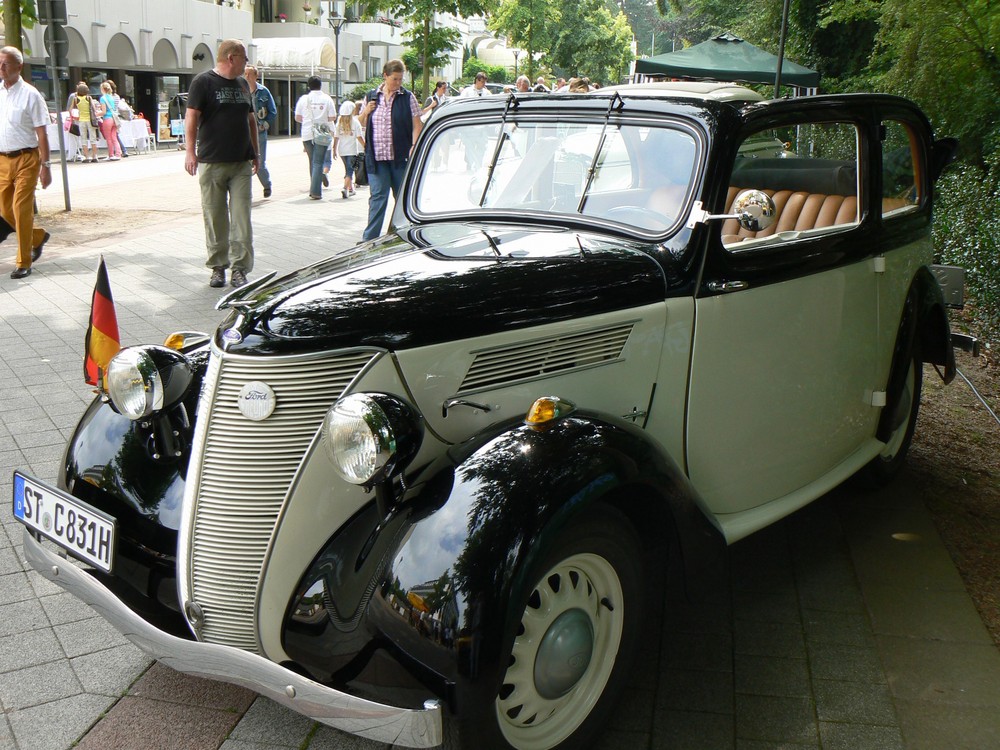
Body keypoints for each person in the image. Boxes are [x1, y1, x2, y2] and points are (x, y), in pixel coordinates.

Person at [184, 38, 260, 288]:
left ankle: (240, 269)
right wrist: (190, 152)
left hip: (240, 163)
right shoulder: (203, 82)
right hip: (212, 161)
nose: (247, 63)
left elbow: (251, 122)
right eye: (244, 58)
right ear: (231, 58)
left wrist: (256, 153)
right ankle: (218, 267)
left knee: (242, 218)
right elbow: (192, 117)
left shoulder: (242, 84)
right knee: (215, 217)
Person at [0, 46, 51, 279]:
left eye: (6, 63)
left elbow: (42, 133)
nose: (1, 67)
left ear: (18, 67)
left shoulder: (31, 95)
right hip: (2, 159)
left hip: (27, 158)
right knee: (5, 210)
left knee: (21, 210)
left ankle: (23, 261)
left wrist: (46, 166)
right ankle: (37, 237)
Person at [359, 59, 422, 241]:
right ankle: (369, 241)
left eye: (401, 79)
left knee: (402, 199)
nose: (398, 83)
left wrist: (413, 147)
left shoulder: (407, 97)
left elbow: (416, 125)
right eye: (395, 79)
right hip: (377, 159)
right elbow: (360, 123)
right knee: (378, 198)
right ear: (385, 76)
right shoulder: (371, 96)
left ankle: (401, 237)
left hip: (400, 158)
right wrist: (365, 112)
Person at [294, 76, 336, 200]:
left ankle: (315, 182)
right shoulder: (327, 98)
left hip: (307, 132)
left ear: (308, 86)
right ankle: (316, 191)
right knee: (318, 162)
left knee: (312, 161)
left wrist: (308, 120)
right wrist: (321, 119)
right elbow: (332, 117)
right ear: (320, 85)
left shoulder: (303, 99)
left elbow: (297, 117)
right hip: (322, 132)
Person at [245, 65, 276, 198]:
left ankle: (267, 185)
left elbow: (273, 111)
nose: (246, 77)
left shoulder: (263, 91)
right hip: (244, 133)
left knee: (260, 162)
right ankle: (246, 193)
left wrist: (265, 124)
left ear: (255, 76)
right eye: (244, 74)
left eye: (249, 74)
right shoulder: (240, 90)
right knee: (245, 164)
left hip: (259, 132)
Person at [333, 100, 364, 199]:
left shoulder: (339, 122)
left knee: (347, 169)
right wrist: (366, 146)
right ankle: (345, 188)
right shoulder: (355, 122)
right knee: (350, 170)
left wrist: (334, 149)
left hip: (342, 151)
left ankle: (350, 189)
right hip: (352, 151)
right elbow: (359, 137)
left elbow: (336, 136)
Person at [71, 83, 100, 163]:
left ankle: (86, 157)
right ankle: (95, 156)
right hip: (90, 120)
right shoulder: (89, 98)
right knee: (93, 138)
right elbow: (94, 109)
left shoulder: (76, 99)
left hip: (81, 120)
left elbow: (71, 109)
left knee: (83, 139)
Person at [98, 81, 122, 160]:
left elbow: (104, 112)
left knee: (108, 138)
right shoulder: (111, 97)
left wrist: (96, 114)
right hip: (114, 118)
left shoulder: (103, 98)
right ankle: (118, 154)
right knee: (114, 137)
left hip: (107, 118)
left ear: (102, 89)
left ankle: (111, 154)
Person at [106, 79, 130, 157]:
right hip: (116, 117)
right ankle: (122, 151)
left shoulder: (107, 97)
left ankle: (118, 151)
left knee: (112, 136)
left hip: (109, 117)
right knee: (115, 135)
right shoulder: (117, 96)